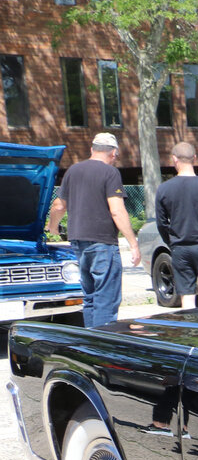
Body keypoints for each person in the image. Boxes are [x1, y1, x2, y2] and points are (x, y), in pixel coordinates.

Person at [46, 132, 141, 326]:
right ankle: (102, 347)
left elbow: (58, 206)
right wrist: (133, 243)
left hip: (78, 242)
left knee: (90, 298)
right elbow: (117, 211)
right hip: (103, 242)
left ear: (92, 149)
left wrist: (52, 227)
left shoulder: (73, 171)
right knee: (106, 299)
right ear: (113, 153)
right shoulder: (110, 172)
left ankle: (89, 343)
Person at [154, 142, 198, 308]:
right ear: (194, 158)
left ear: (174, 159)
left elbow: (161, 223)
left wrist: (171, 243)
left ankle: (191, 331)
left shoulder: (164, 189)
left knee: (186, 296)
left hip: (180, 249)